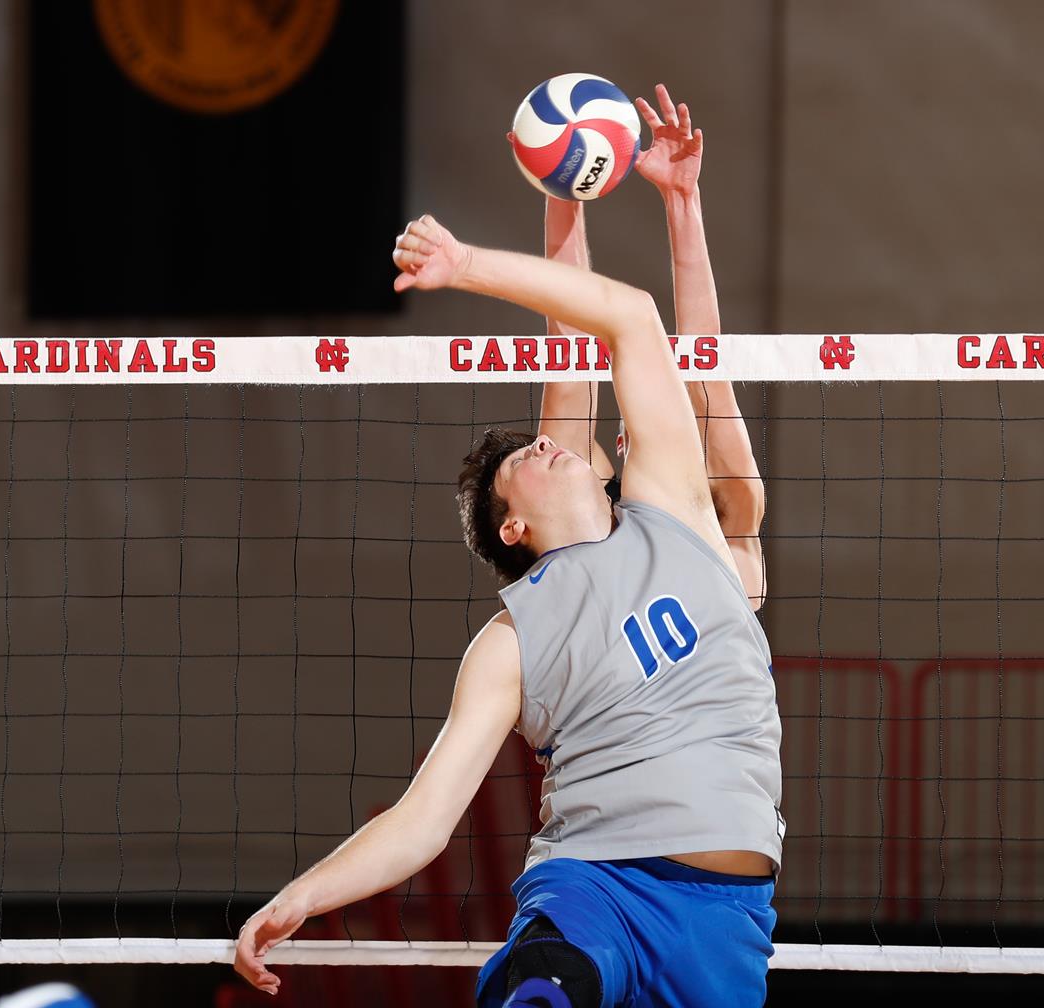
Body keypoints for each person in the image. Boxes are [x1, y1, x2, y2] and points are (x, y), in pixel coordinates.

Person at [235, 91, 782, 1008]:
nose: (554, 445)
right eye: (528, 456)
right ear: (512, 529)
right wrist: (301, 897)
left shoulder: (681, 517)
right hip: (591, 885)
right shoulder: (512, 638)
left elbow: (639, 330)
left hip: (722, 915)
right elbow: (423, 820)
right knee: (545, 986)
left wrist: (614, 203)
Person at [535, 84, 766, 610]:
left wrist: (683, 198)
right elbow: (570, 367)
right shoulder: (590, 514)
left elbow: (705, 368)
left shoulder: (728, 517)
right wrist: (564, 181)